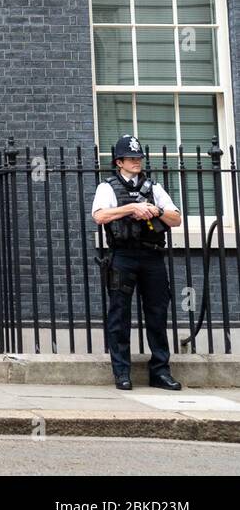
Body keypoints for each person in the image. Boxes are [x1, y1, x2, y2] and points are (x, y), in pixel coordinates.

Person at [91, 134, 183, 391]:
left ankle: (160, 371)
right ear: (119, 161)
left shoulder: (154, 187)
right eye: (131, 158)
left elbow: (176, 219)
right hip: (123, 256)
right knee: (119, 314)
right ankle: (122, 372)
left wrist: (157, 210)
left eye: (139, 158)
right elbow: (99, 216)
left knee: (157, 313)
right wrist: (131, 209)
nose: (136, 162)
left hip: (153, 256)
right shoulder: (107, 187)